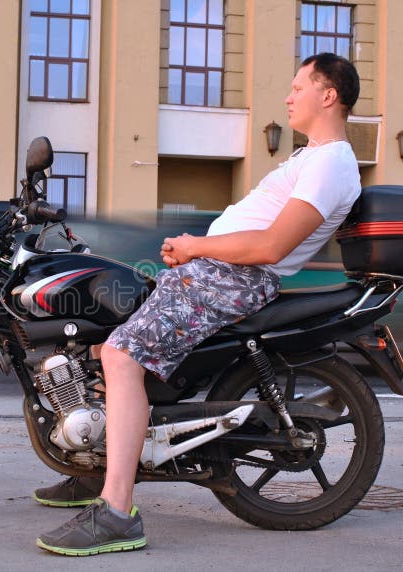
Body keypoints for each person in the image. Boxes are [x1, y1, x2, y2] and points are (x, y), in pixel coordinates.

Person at [35, 52, 363, 556]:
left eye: (298, 87)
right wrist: (192, 253)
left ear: (329, 95)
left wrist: (195, 247)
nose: (288, 97)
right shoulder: (311, 157)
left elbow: (271, 246)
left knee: (121, 356)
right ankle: (94, 465)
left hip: (235, 277)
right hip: (217, 271)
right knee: (101, 342)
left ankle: (117, 512)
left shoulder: (332, 163)